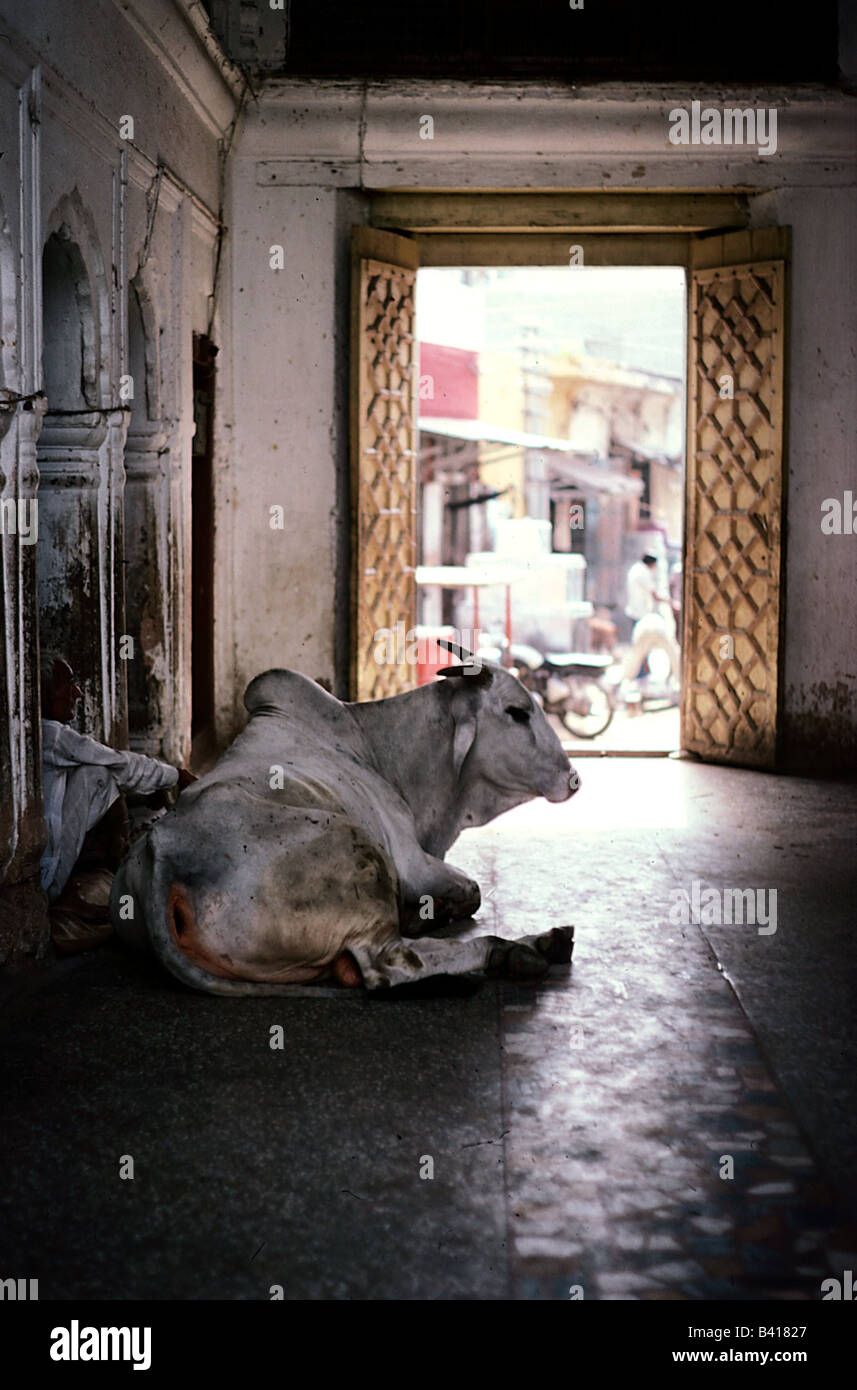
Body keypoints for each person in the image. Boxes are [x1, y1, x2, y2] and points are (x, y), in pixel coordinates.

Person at [40, 654, 195, 952]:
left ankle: (109, 863)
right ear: (44, 695)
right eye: (68, 684)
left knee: (97, 772)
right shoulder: (52, 735)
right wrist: (175, 775)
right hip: (47, 877)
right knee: (102, 772)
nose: (77, 692)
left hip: (49, 867)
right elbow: (119, 762)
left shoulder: (45, 737)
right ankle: (116, 863)